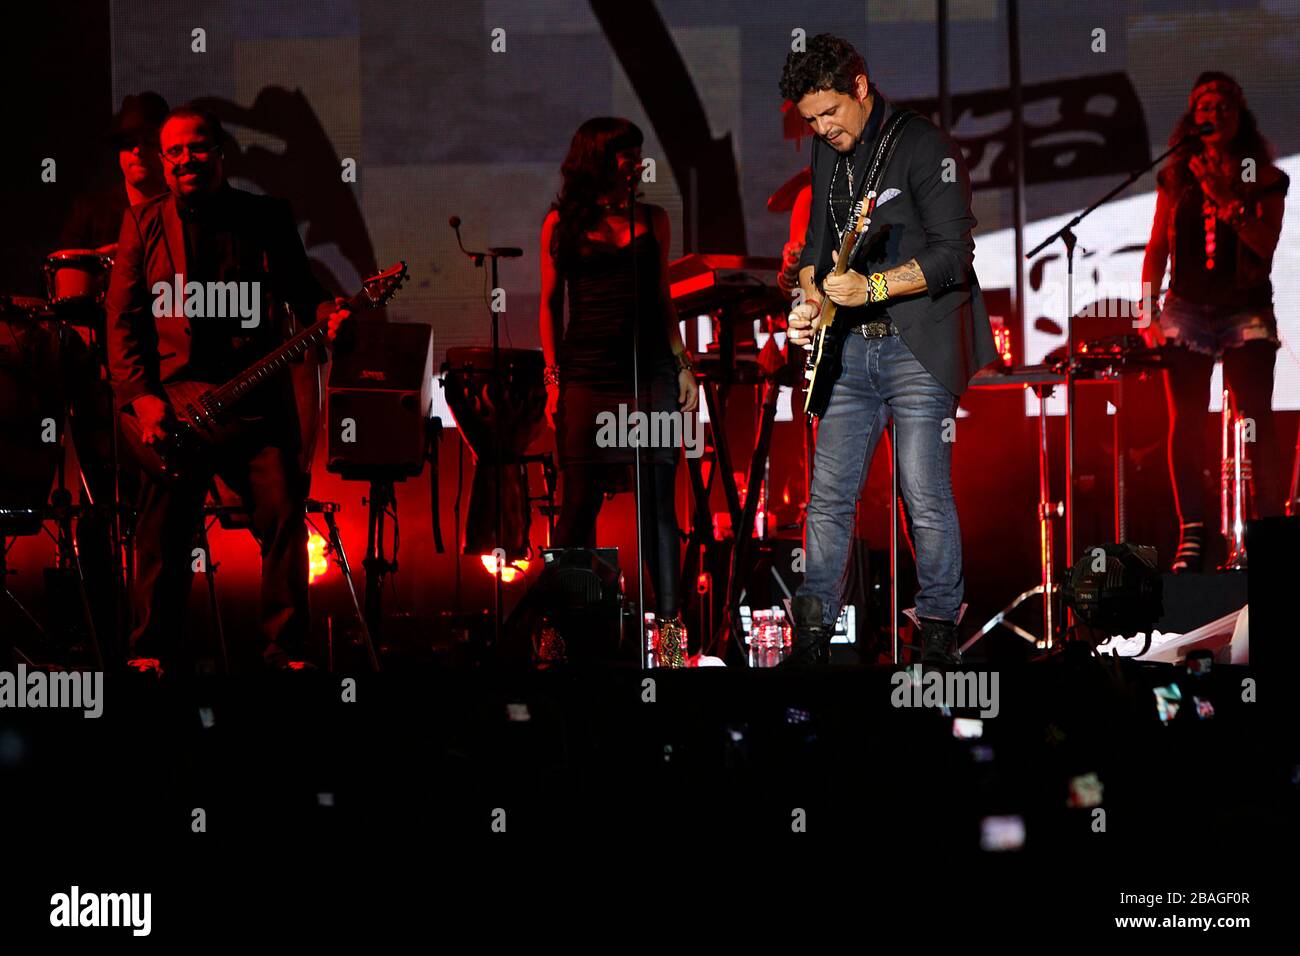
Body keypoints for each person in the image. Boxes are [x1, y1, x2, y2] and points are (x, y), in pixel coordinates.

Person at [105, 105, 352, 673]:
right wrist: (143, 399)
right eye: (175, 153)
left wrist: (329, 313)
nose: (186, 160)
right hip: (172, 400)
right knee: (164, 522)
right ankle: (149, 652)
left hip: (255, 402)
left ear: (220, 152)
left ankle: (284, 650)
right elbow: (123, 324)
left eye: (197, 148)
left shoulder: (265, 216)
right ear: (164, 164)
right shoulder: (141, 223)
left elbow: (300, 288)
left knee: (286, 510)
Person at [780, 34, 997, 667]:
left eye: (830, 114)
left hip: (917, 346)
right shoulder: (828, 154)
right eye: (810, 120)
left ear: (861, 87)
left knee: (921, 491)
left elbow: (956, 257)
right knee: (827, 497)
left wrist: (874, 284)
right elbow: (817, 257)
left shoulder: (925, 145)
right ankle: (812, 639)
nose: (822, 129)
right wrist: (807, 304)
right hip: (847, 351)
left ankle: (936, 636)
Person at [538, 117, 700, 666]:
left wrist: (682, 365)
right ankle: (556, 632)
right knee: (578, 504)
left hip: (649, 373)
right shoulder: (560, 224)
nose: (636, 165)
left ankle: (672, 635)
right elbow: (547, 304)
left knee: (658, 504)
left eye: (638, 155)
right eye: (625, 156)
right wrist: (553, 380)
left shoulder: (652, 219)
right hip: (586, 375)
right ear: (597, 160)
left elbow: (662, 299)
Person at [1139, 72, 1288, 572]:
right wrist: (1146, 310)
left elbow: (1264, 245)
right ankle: (1193, 534)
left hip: (1245, 309)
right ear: (1192, 115)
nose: (1213, 113)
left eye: (1224, 105)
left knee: (1254, 423)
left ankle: (1268, 531)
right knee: (1185, 421)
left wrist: (1224, 196)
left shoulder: (1260, 173)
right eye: (1204, 105)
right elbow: (1157, 245)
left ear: (1239, 114)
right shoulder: (1177, 172)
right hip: (1186, 309)